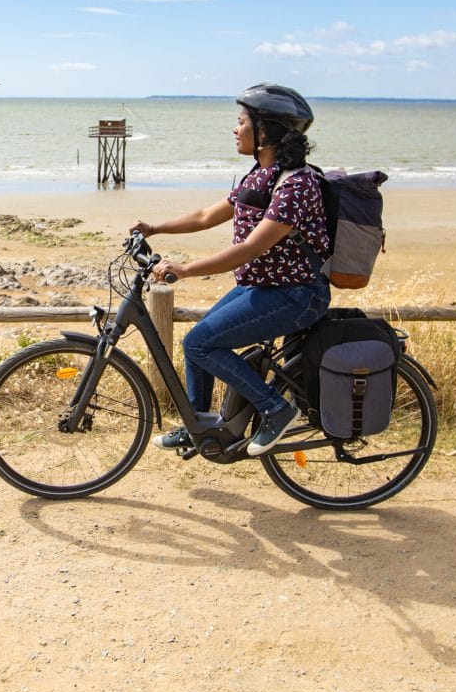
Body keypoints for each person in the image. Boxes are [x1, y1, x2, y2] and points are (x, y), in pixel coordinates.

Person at [130, 84, 331, 457]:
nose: (235, 130)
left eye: (241, 122)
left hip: (297, 294)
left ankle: (276, 408)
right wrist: (155, 228)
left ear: (266, 131)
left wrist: (187, 269)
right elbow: (206, 216)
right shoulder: (260, 175)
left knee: (199, 343)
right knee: (199, 340)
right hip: (265, 288)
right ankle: (198, 425)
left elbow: (252, 247)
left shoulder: (296, 184)